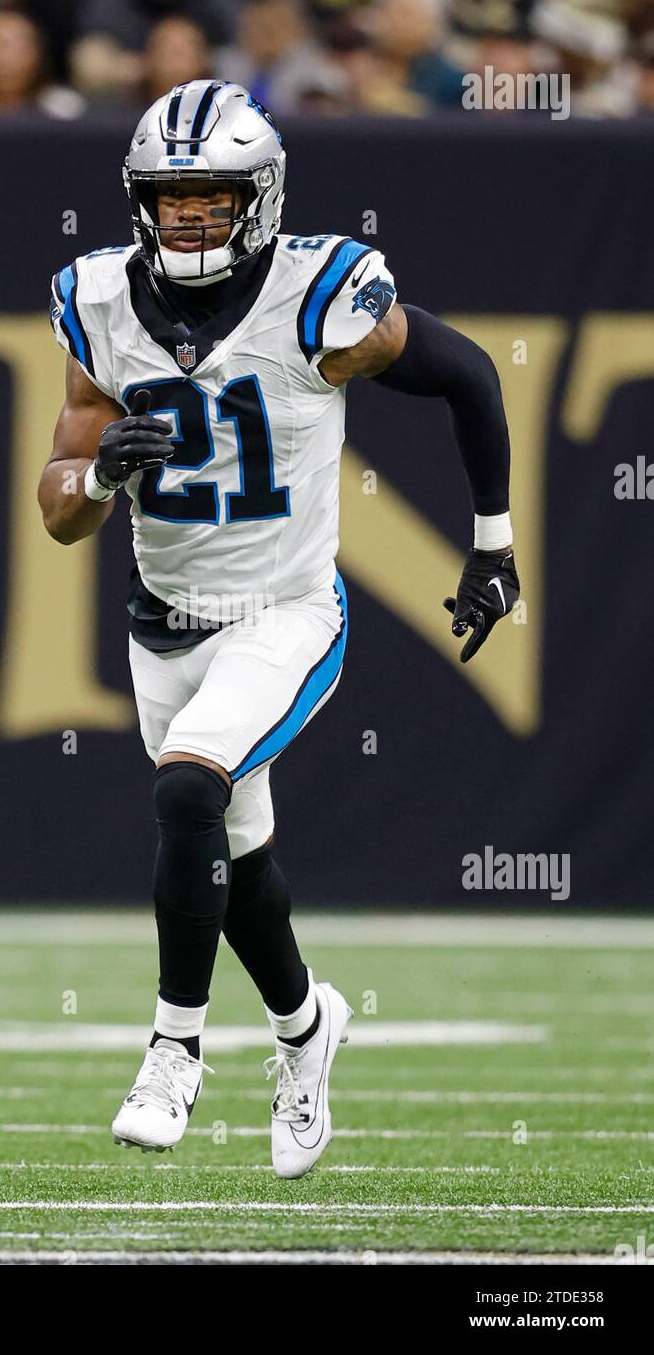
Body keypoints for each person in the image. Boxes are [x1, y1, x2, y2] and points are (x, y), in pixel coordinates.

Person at [37, 81, 520, 1179]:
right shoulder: (98, 304)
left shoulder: (321, 296)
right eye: (171, 197)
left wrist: (490, 543)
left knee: (185, 789)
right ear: (137, 202)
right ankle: (306, 1031)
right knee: (235, 857)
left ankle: (172, 1046)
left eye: (212, 196)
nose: (190, 217)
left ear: (257, 197)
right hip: (161, 622)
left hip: (286, 612)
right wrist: (97, 474)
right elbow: (58, 507)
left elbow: (470, 376)